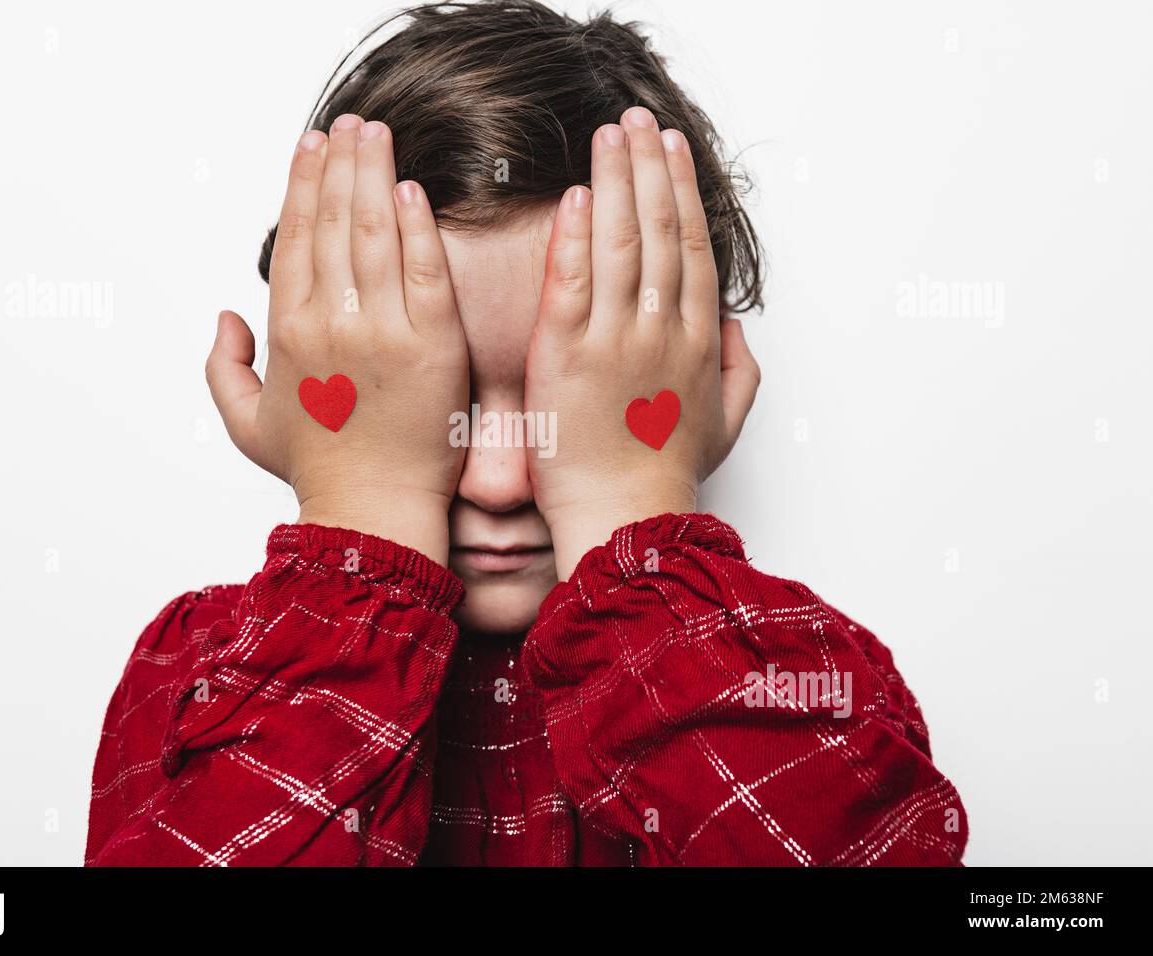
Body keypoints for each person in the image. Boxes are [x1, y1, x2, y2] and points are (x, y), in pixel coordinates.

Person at [86, 0, 966, 866]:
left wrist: (630, 512)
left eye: (574, 400)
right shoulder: (206, 678)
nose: (501, 482)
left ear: (702, 382)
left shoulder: (792, 678)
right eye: (438, 399)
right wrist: (365, 509)